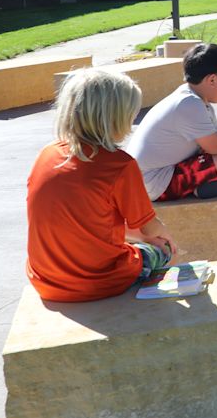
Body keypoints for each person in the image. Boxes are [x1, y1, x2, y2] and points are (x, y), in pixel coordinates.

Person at [26, 68, 179, 302]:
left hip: (45, 281)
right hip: (98, 282)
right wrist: (164, 237)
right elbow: (150, 228)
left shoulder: (46, 155)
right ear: (116, 118)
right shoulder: (119, 165)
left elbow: (88, 218)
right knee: (162, 250)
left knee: (131, 238)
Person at [128, 43, 217, 201]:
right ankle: (200, 189)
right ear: (212, 80)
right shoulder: (188, 104)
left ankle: (213, 185)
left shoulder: (196, 101)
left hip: (152, 177)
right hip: (153, 182)